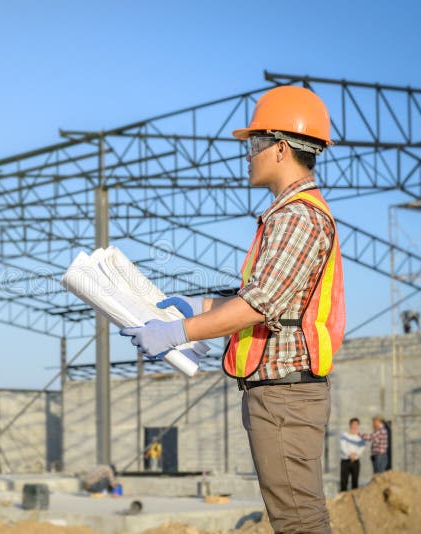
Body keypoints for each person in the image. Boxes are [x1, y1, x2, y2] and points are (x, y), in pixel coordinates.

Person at [121, 85, 345, 534]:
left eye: (255, 143)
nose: (248, 154)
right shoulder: (290, 214)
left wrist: (182, 331)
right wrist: (197, 306)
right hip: (279, 393)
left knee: (298, 521)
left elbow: (258, 305)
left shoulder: (297, 216)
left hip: (285, 395)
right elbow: (272, 299)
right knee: (295, 517)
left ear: (281, 148)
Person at [340, 418, 366, 491]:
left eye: (356, 424)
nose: (355, 426)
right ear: (350, 425)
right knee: (344, 482)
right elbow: (343, 447)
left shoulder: (360, 437)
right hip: (345, 461)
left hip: (355, 462)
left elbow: (362, 448)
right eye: (353, 424)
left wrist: (355, 455)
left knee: (355, 482)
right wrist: (349, 454)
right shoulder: (344, 435)